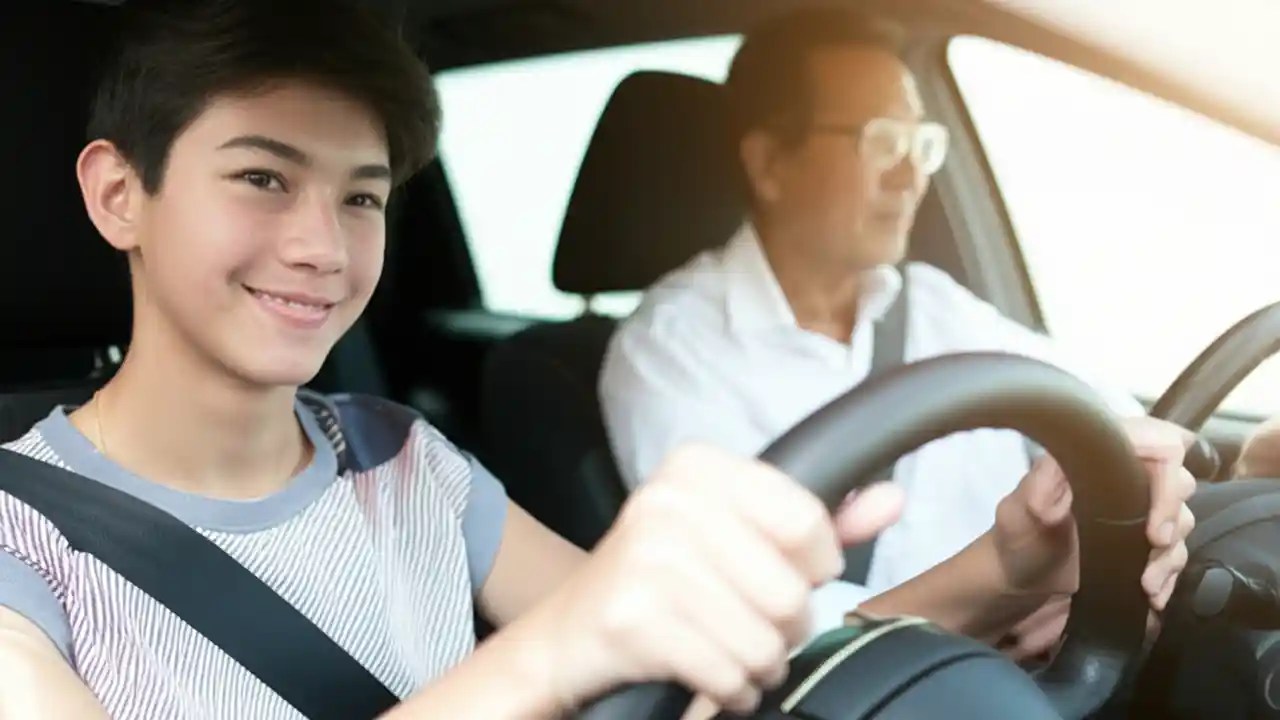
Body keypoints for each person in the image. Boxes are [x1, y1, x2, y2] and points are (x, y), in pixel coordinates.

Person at [0, 1, 1191, 719]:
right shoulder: (19, 537)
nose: (320, 246)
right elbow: (591, 638)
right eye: (263, 178)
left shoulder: (407, 464)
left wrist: (1002, 565)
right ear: (120, 195)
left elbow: (701, 656)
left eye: (362, 198)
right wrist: (554, 657)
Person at [598, 7, 1169, 652]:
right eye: (881, 143)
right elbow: (749, 613)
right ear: (770, 165)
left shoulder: (934, 305)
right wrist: (998, 600)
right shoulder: (671, 352)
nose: (911, 175)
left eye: (919, 144)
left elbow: (1103, 420)